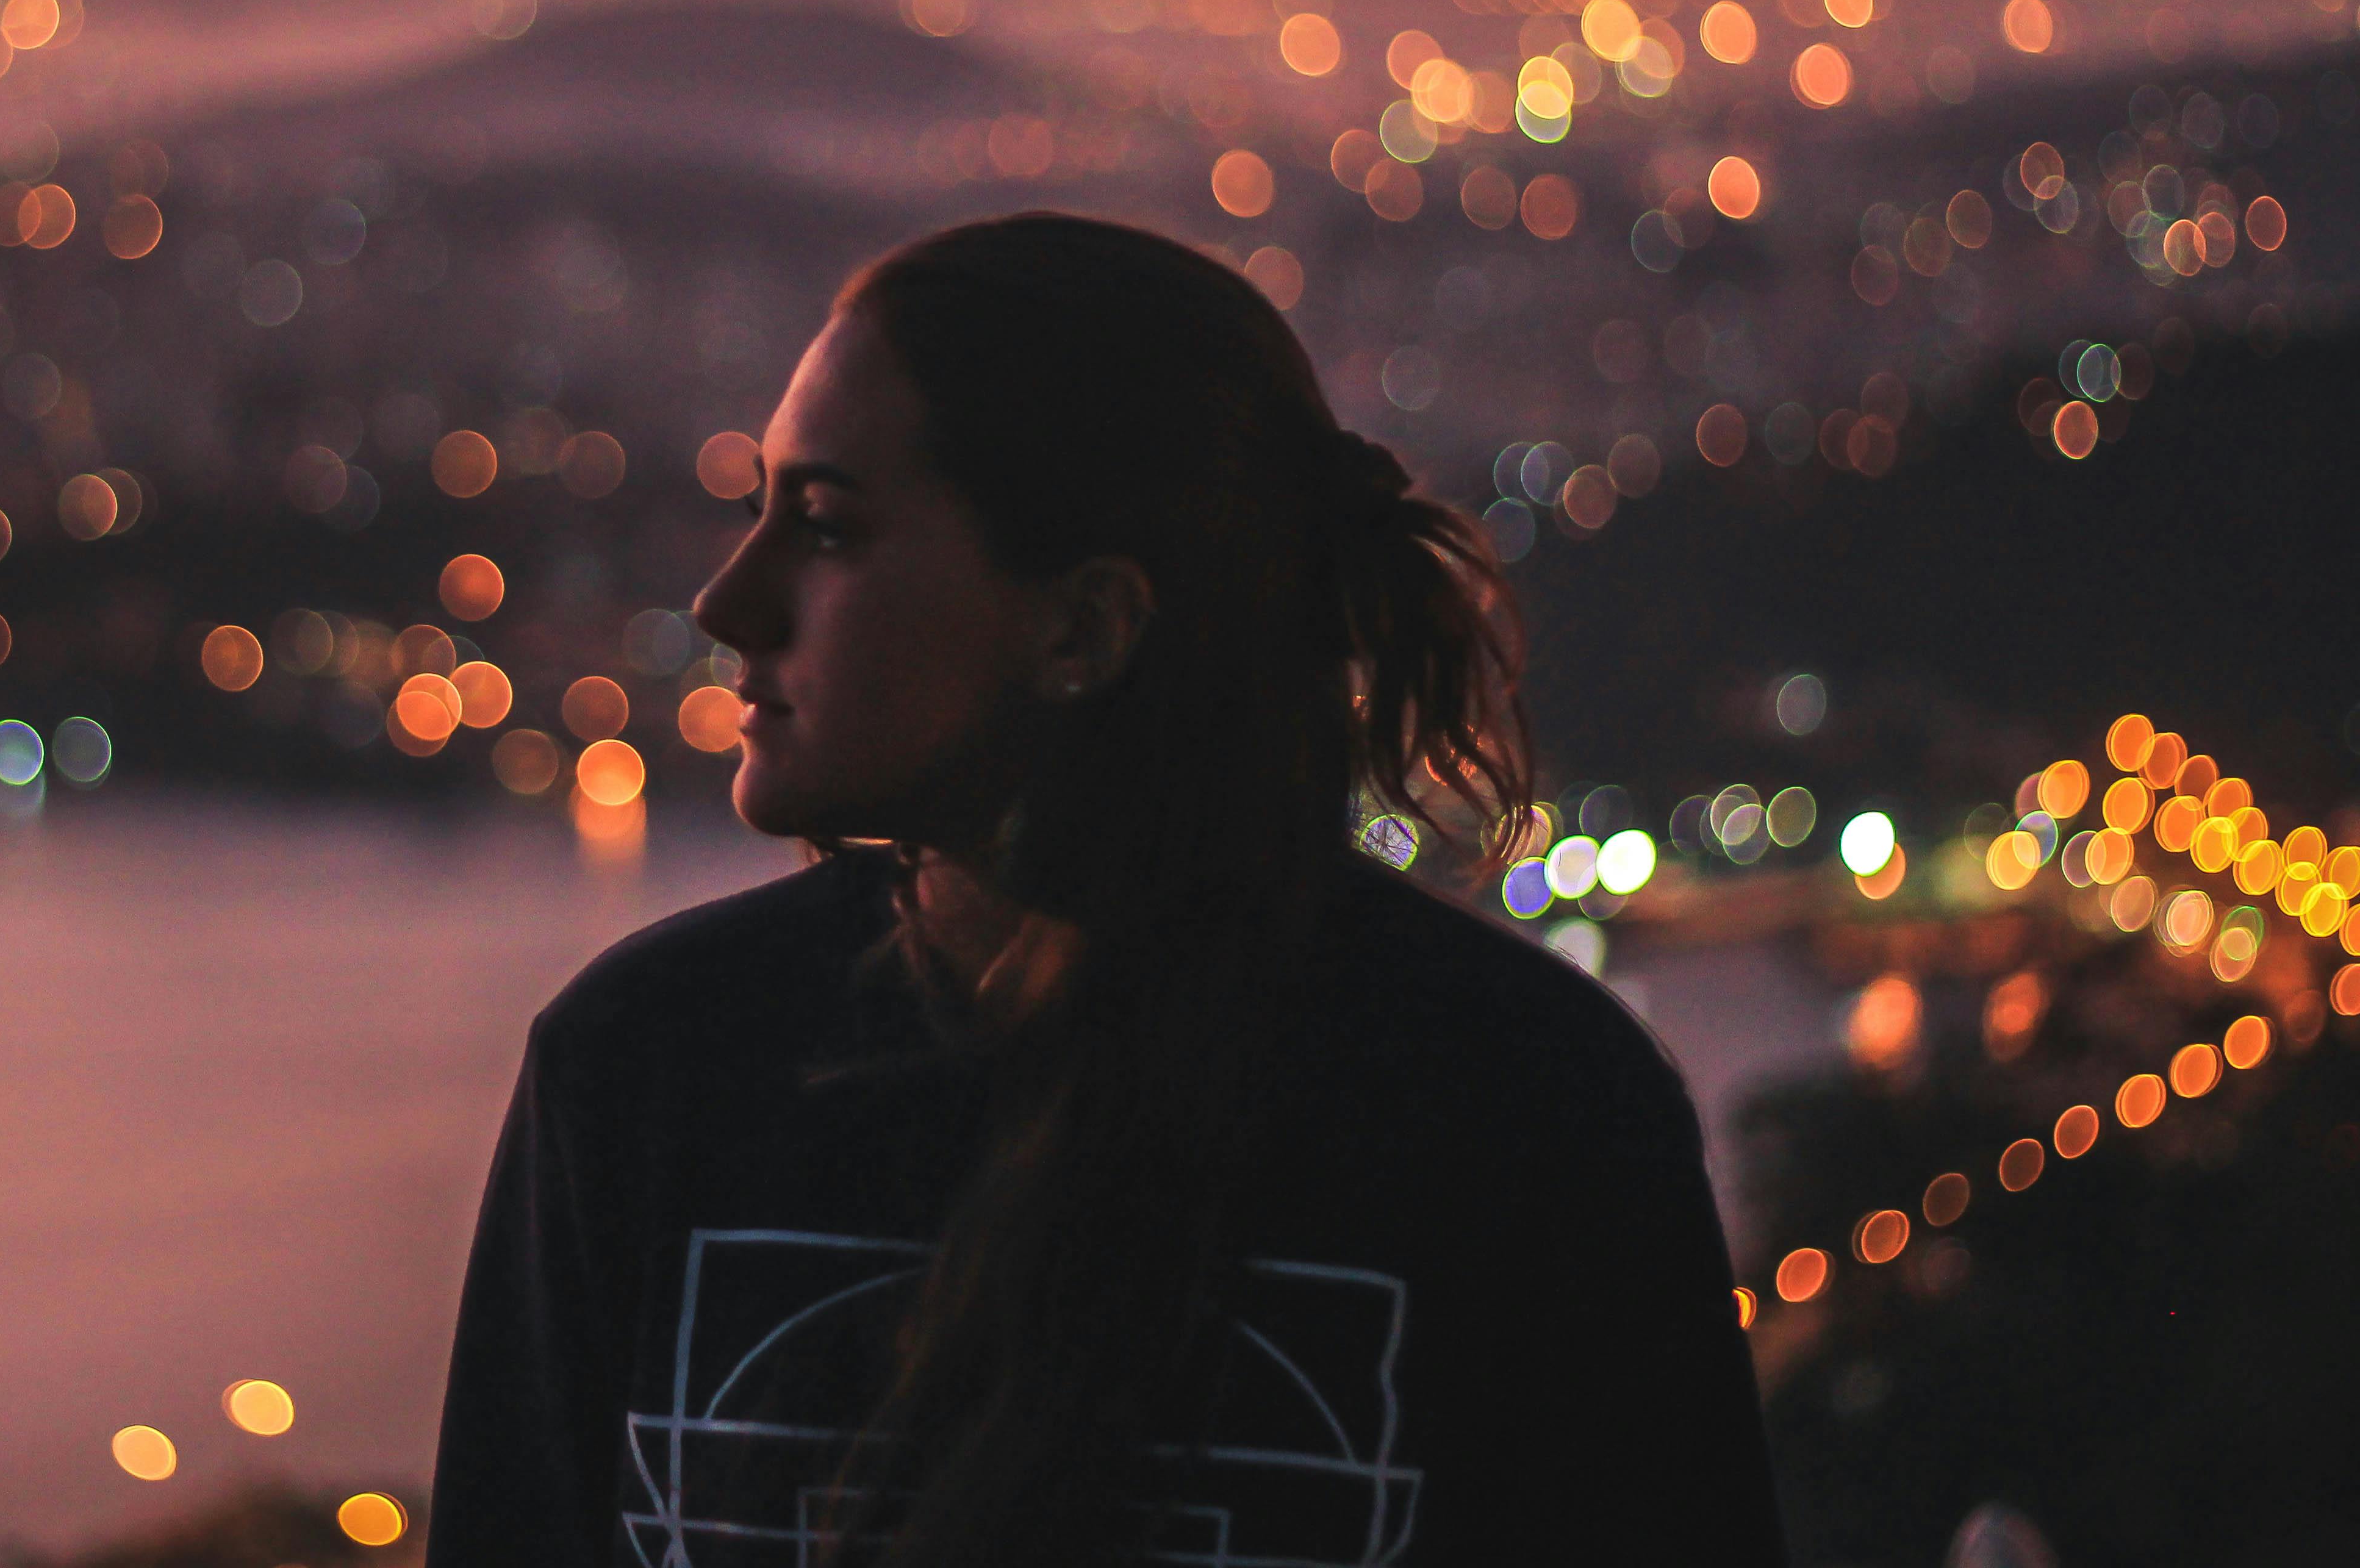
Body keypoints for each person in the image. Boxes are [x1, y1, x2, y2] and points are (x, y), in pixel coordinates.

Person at [426, 213, 1782, 1566]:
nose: (730, 598)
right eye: (756, 510)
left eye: (827, 527)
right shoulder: (649, 1068)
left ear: (1081, 627)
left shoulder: (1524, 1122)